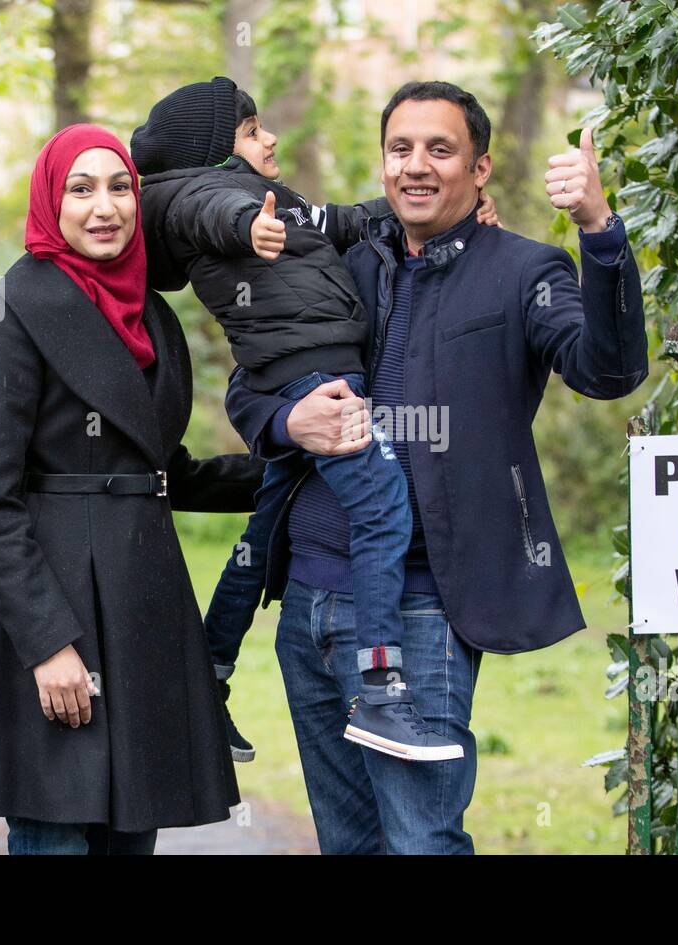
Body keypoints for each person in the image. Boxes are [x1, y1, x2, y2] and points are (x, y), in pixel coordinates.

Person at [223, 81, 650, 853]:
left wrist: (599, 229)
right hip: (309, 606)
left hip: (422, 610)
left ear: (480, 169)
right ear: (383, 163)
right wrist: (289, 418)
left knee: (421, 841)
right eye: (400, 148)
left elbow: (607, 371)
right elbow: (251, 383)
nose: (417, 166)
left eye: (440, 149)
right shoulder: (342, 263)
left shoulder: (524, 271)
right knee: (350, 844)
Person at [0, 124, 263, 855]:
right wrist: (47, 644)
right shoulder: (11, 310)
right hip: (53, 614)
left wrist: (289, 466)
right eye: (81, 188)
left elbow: (161, 469)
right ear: (51, 201)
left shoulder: (154, 317)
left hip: (142, 613)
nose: (104, 207)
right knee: (57, 832)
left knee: (132, 838)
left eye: (119, 187)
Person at [131, 77, 496, 763]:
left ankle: (205, 676)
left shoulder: (279, 204)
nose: (268, 138)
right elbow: (211, 213)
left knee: (263, 533)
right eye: (249, 131)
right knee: (385, 506)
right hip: (309, 376)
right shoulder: (206, 195)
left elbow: (345, 221)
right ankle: (383, 691)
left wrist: (463, 213)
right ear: (215, 151)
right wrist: (248, 226)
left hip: (305, 371)